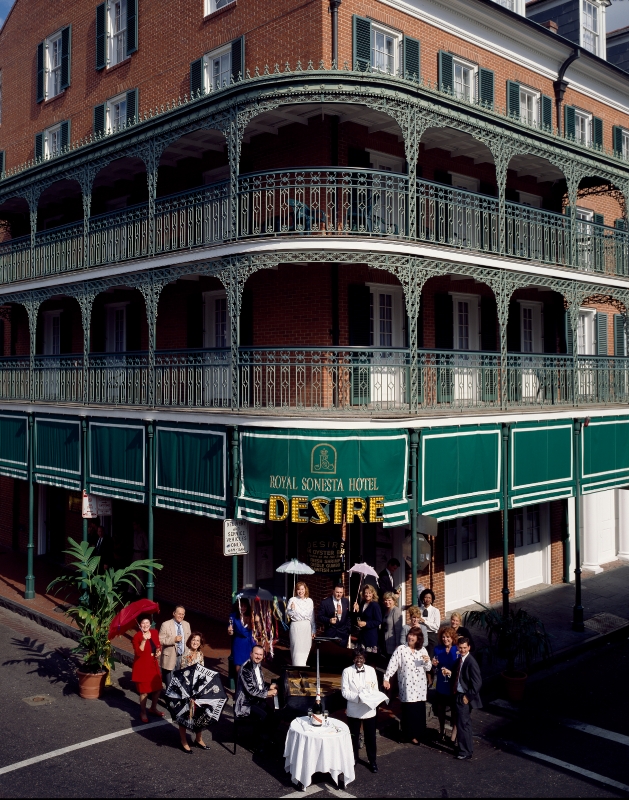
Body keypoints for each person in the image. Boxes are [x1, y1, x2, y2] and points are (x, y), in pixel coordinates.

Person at [383, 626, 431, 745]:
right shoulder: (401, 649)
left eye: (414, 635)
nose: (411, 637)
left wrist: (426, 661)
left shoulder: (422, 650)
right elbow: (392, 664)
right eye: (410, 634)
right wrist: (386, 678)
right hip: (407, 687)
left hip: (420, 687)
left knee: (418, 711)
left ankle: (416, 735)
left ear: (419, 638)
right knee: (408, 711)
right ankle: (408, 735)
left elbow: (428, 667)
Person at [341, 647, 380, 773]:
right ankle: (353, 759)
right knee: (353, 736)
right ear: (353, 659)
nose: (359, 660)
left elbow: (375, 689)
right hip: (354, 708)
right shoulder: (346, 671)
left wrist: (368, 697)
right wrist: (358, 698)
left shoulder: (371, 670)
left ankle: (372, 761)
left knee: (370, 737)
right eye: (357, 658)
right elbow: (344, 692)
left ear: (364, 659)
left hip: (369, 708)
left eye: (361, 658)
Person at [234, 644, 278, 752]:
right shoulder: (246, 669)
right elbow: (252, 691)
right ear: (251, 654)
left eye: (260, 655)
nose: (258, 657)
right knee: (265, 716)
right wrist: (269, 693)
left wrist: (268, 686)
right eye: (256, 654)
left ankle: (268, 738)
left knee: (274, 714)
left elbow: (259, 685)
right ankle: (260, 746)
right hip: (245, 703)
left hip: (256, 700)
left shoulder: (257, 665)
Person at [446, 637, 482, 760]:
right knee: (462, 723)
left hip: (464, 697)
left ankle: (465, 751)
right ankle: (464, 748)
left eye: (464, 648)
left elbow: (477, 683)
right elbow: (459, 676)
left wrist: (468, 696)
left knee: (463, 724)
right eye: (460, 648)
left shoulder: (471, 662)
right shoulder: (460, 660)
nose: (462, 650)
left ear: (469, 647)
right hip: (458, 695)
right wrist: (449, 673)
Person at [176, 631, 210, 753]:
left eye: (197, 640)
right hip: (186, 690)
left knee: (200, 715)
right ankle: (184, 741)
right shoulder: (186, 655)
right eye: (193, 640)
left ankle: (198, 739)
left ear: (200, 643)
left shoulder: (200, 654)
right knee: (185, 716)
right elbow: (183, 675)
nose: (195, 642)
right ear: (190, 641)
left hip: (198, 690)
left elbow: (203, 672)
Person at [132, 616, 164, 724]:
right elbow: (138, 653)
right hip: (142, 666)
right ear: (139, 625)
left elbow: (158, 645)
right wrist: (144, 640)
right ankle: (143, 712)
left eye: (147, 623)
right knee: (144, 691)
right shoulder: (137, 636)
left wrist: (158, 651)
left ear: (150, 624)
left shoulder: (154, 632)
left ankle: (153, 708)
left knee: (158, 688)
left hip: (153, 664)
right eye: (143, 623)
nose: (145, 625)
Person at [432, 626, 460, 745]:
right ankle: (442, 730)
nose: (445, 639)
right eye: (443, 637)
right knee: (440, 709)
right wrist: (434, 665)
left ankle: (454, 733)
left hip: (453, 684)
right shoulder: (437, 649)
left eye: (448, 637)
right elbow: (435, 667)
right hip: (442, 684)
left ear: (452, 637)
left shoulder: (457, 650)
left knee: (454, 711)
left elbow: (460, 668)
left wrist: (452, 673)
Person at [159, 606, 191, 686]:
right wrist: (173, 640)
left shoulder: (186, 624)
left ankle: (178, 697)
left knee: (181, 681)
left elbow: (189, 640)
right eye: (179, 614)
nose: (181, 616)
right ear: (174, 613)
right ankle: (169, 698)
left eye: (183, 614)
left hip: (183, 657)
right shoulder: (165, 625)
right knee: (170, 682)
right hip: (170, 657)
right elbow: (160, 640)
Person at [286, 581, 315, 667]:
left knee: (306, 650)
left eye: (302, 589)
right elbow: (289, 614)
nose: (300, 591)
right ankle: (297, 669)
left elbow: (312, 617)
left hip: (306, 628)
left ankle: (305, 671)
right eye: (298, 589)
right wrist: (292, 609)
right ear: (296, 590)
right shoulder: (292, 600)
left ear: (305, 590)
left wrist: (313, 630)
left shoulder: (310, 601)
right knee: (297, 650)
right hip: (296, 627)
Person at [228, 601, 258, 675]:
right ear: (238, 606)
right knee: (238, 668)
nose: (243, 608)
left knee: (250, 667)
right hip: (239, 644)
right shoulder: (233, 616)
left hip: (250, 643)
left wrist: (257, 622)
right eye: (241, 606)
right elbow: (230, 631)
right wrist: (230, 631)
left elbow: (257, 630)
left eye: (245, 606)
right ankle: (240, 684)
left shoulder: (252, 615)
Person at [353, 584, 382, 655]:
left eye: (369, 593)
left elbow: (378, 620)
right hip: (363, 636)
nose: (367, 594)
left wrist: (366, 623)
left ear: (373, 594)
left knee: (370, 658)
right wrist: (357, 610)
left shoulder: (375, 605)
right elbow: (360, 617)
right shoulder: (363, 603)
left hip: (371, 636)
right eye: (366, 593)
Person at [419, 588, 441, 658]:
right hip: (421, 635)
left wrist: (424, 621)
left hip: (432, 636)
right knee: (422, 656)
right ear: (423, 598)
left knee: (431, 656)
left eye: (429, 598)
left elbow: (436, 626)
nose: (427, 599)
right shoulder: (419, 610)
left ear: (432, 600)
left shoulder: (435, 611)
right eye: (425, 597)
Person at [381, 591, 402, 662]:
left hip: (393, 643)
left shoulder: (396, 611)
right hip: (386, 642)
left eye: (389, 600)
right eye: (386, 600)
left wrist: (397, 644)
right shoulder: (386, 610)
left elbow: (398, 629)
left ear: (394, 600)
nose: (387, 602)